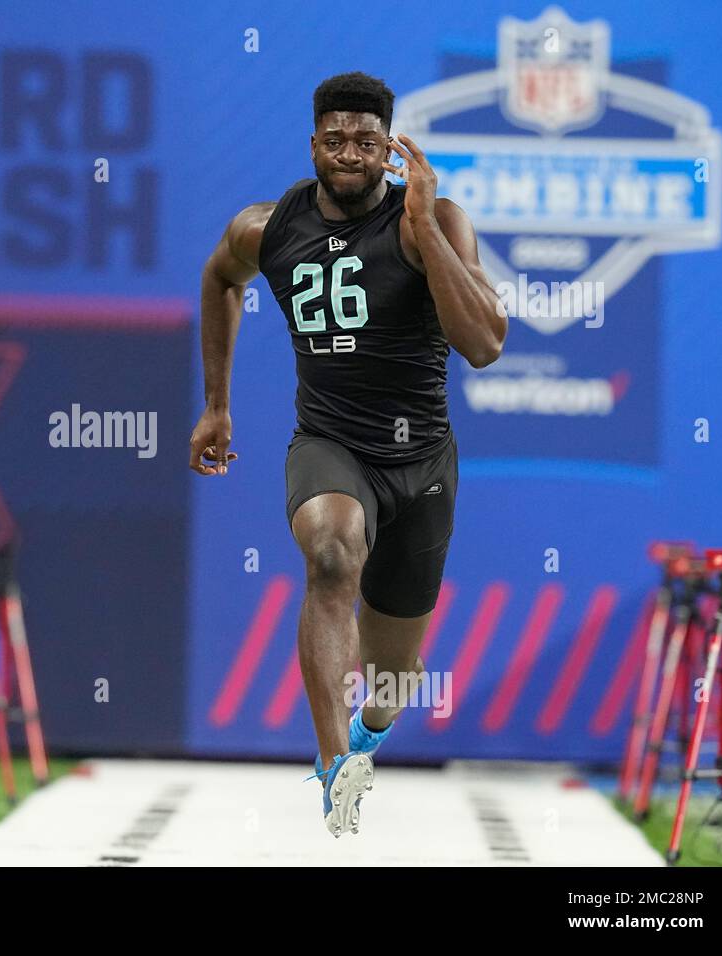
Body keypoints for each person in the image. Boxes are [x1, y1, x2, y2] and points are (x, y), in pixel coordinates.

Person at [189, 71, 506, 837]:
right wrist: (218, 402)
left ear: (390, 150)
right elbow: (220, 280)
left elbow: (486, 346)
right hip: (331, 445)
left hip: (421, 463)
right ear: (314, 146)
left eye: (367, 141)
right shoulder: (265, 228)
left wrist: (428, 230)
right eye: (335, 139)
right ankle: (337, 766)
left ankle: (369, 724)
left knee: (393, 681)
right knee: (331, 553)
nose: (349, 154)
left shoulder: (433, 219)